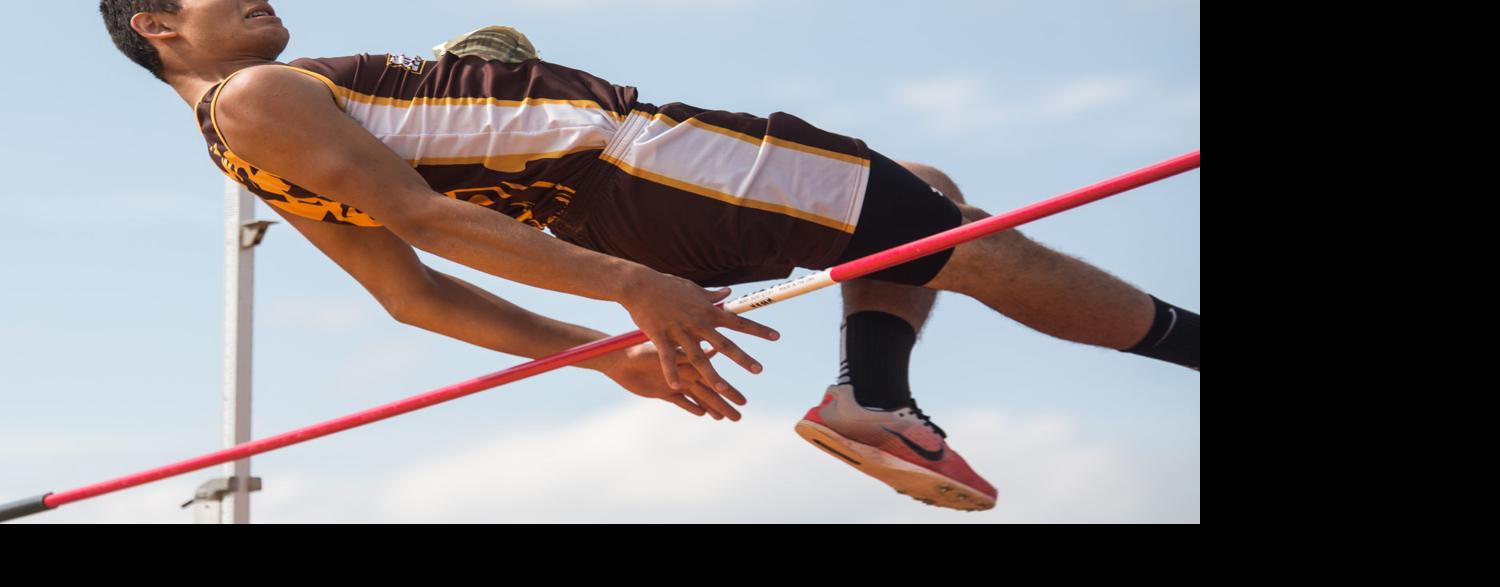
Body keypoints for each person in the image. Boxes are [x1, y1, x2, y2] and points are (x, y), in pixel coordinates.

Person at [100, 1, 1200, 512]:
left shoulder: (246, 153)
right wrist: (630, 294)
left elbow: (409, 297)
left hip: (618, 199)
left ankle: (873, 398)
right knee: (947, 233)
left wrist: (603, 354)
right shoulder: (254, 98)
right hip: (638, 165)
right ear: (157, 23)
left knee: (932, 202)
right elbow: (422, 242)